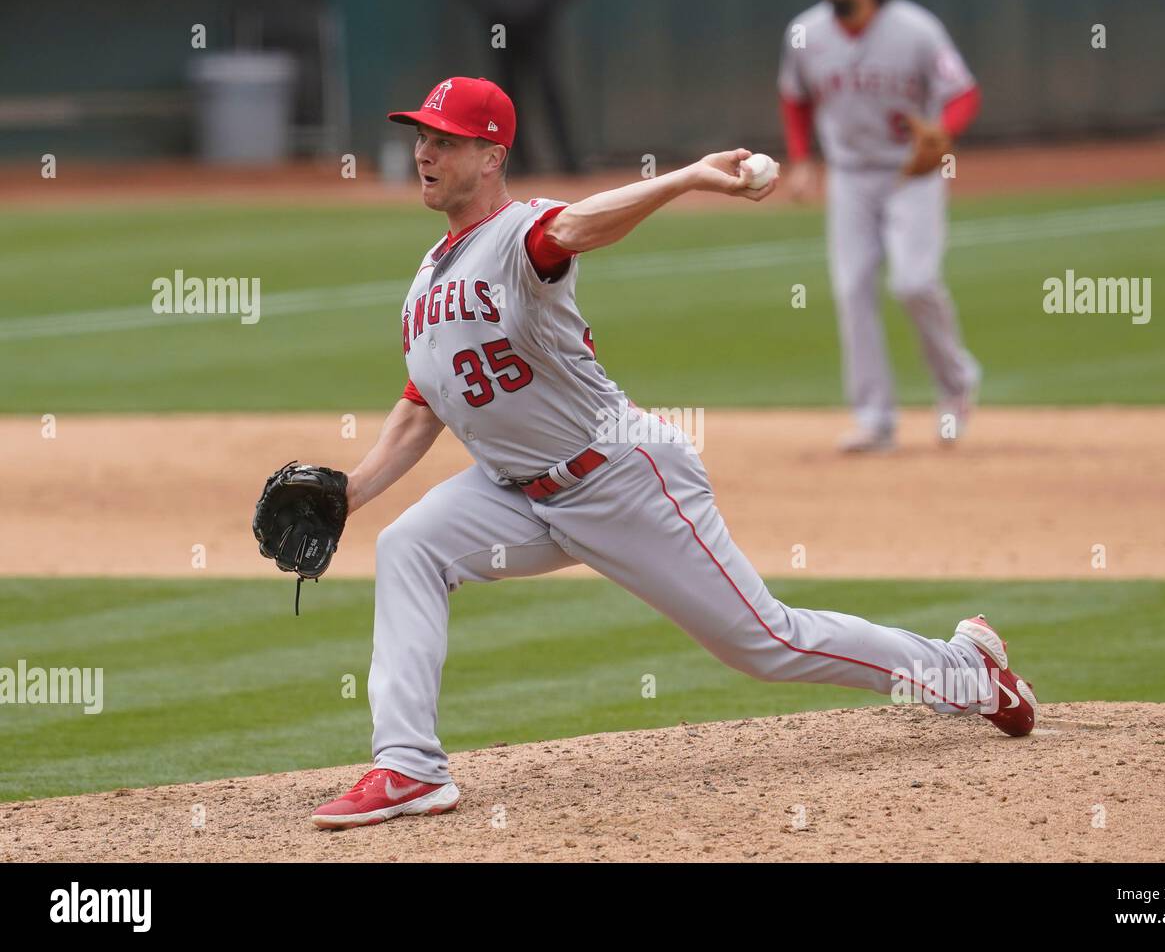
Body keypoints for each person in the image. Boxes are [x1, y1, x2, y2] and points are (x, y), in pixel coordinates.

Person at [309, 76, 1035, 830]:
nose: (424, 152)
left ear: (491, 156)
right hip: (515, 492)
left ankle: (967, 672)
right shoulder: (429, 274)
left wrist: (685, 178)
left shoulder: (524, 234)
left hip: (620, 476)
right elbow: (423, 402)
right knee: (409, 548)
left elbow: (578, 227)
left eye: (445, 141)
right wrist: (351, 493)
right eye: (421, 138)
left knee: (766, 643)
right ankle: (409, 769)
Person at [779, 0, 983, 452]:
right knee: (852, 290)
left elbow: (963, 92)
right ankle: (875, 420)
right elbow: (795, 98)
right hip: (849, 174)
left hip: (912, 172)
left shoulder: (916, 29)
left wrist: (944, 128)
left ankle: (956, 384)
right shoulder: (804, 32)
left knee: (914, 282)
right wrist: (800, 160)